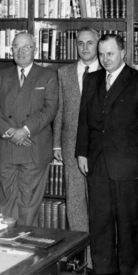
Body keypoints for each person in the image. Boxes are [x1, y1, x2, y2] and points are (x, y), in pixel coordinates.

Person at [76, 34, 138, 275]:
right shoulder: (92, 79)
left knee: (128, 223)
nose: (105, 59)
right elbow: (83, 120)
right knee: (100, 219)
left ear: (123, 53)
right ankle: (104, 272)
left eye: (110, 54)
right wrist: (81, 152)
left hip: (127, 166)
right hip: (97, 162)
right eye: (102, 54)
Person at [0, 32, 59, 226]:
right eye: (16, 47)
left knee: (28, 206)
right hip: (7, 147)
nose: (21, 51)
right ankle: (8, 249)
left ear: (34, 49)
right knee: (7, 204)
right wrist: (11, 133)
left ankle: (27, 251)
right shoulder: (1, 76)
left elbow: (50, 109)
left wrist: (25, 130)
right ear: (11, 50)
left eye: (26, 47)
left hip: (34, 147)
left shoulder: (48, 76)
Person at [53, 27, 100, 232]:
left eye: (89, 42)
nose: (85, 47)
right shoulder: (64, 73)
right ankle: (82, 257)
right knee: (75, 202)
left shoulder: (108, 70)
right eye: (80, 43)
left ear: (97, 44)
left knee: (98, 202)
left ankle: (99, 257)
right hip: (71, 146)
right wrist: (56, 145)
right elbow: (59, 110)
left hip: (100, 147)